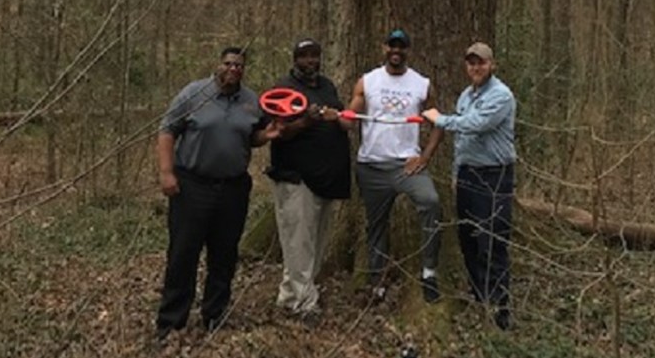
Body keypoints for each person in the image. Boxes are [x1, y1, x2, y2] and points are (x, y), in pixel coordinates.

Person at [154, 47, 281, 344]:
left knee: (224, 255)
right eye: (228, 63)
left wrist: (268, 135)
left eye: (239, 65)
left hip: (233, 189)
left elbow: (254, 136)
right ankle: (171, 322)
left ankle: (215, 315)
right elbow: (167, 130)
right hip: (192, 185)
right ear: (218, 65)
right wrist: (166, 172)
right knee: (183, 253)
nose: (233, 69)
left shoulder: (251, 101)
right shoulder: (194, 94)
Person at [343, 28, 443, 304]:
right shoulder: (368, 81)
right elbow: (350, 119)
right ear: (383, 47)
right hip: (372, 166)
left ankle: (429, 272)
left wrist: (424, 157)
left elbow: (438, 124)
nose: (396, 51)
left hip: (406, 165)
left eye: (401, 46)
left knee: (431, 202)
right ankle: (377, 282)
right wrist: (332, 115)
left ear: (408, 51)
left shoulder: (421, 84)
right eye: (392, 46)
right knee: (376, 224)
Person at [422, 42, 517, 330]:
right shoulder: (466, 95)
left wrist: (440, 119)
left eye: (482, 63)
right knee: (469, 239)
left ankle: (501, 307)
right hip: (467, 176)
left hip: (494, 177)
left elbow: (475, 124)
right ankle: (480, 297)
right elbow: (462, 143)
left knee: (494, 241)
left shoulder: (501, 95)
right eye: (472, 63)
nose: (476, 68)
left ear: (492, 65)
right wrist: (455, 173)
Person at [265, 38, 351, 323]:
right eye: (304, 56)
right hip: (296, 177)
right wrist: (307, 121)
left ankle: (294, 294)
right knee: (297, 241)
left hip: (326, 178)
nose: (311, 61)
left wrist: (337, 118)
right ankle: (303, 304)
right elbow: (280, 132)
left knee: (316, 241)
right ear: (295, 59)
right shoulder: (283, 89)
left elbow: (338, 115)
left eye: (315, 55)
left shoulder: (327, 86)